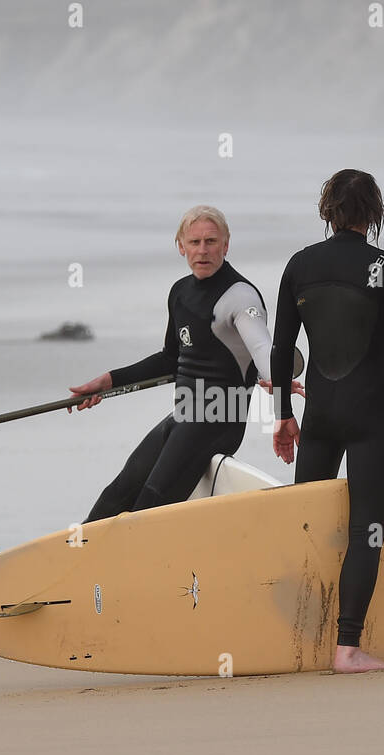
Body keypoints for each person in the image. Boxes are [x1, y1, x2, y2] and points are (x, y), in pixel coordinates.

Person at [270, 170, 384, 674]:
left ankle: (296, 637)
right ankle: (347, 649)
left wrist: (283, 415)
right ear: (373, 213)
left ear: (327, 210)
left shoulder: (300, 265)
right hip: (370, 416)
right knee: (368, 528)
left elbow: (281, 348)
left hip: (317, 416)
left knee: (312, 526)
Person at [70, 205, 302, 522]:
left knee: (148, 508)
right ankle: (75, 564)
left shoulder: (240, 297)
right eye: (194, 242)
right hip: (184, 416)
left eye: (211, 241)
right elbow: (171, 358)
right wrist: (109, 381)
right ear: (181, 246)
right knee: (116, 495)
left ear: (226, 244)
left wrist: (276, 378)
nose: (202, 250)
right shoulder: (180, 292)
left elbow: (262, 348)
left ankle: (125, 567)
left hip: (219, 419)